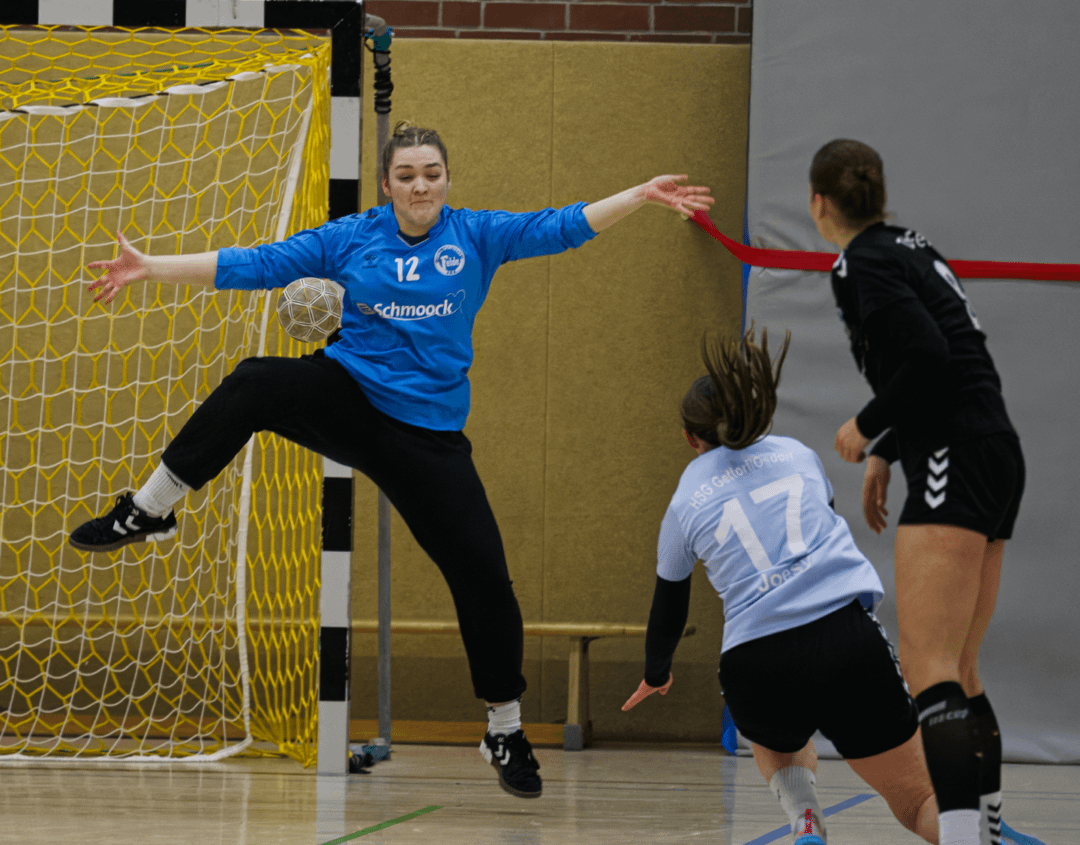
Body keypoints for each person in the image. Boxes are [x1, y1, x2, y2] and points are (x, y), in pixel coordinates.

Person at [69, 122, 715, 799]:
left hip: (427, 437)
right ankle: (149, 508)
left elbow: (560, 227)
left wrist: (640, 194)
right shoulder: (352, 237)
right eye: (406, 174)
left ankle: (504, 727)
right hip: (350, 396)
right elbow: (255, 264)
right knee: (256, 381)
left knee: (486, 582)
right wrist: (151, 267)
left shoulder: (474, 236)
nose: (420, 184)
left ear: (446, 178)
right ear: (387, 184)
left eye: (431, 172)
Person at [621, 328, 938, 845]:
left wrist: (657, 671)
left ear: (690, 439)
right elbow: (823, 522)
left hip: (754, 659)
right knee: (921, 800)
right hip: (843, 638)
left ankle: (805, 820)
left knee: (777, 737)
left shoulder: (684, 501)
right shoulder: (797, 454)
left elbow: (669, 604)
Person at [808, 138, 1025, 845]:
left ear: (819, 204)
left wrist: (866, 426)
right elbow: (944, 352)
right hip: (994, 447)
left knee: (928, 663)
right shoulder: (908, 243)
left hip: (954, 450)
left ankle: (964, 838)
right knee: (960, 665)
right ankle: (986, 830)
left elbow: (929, 356)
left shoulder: (858, 263)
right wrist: (889, 451)